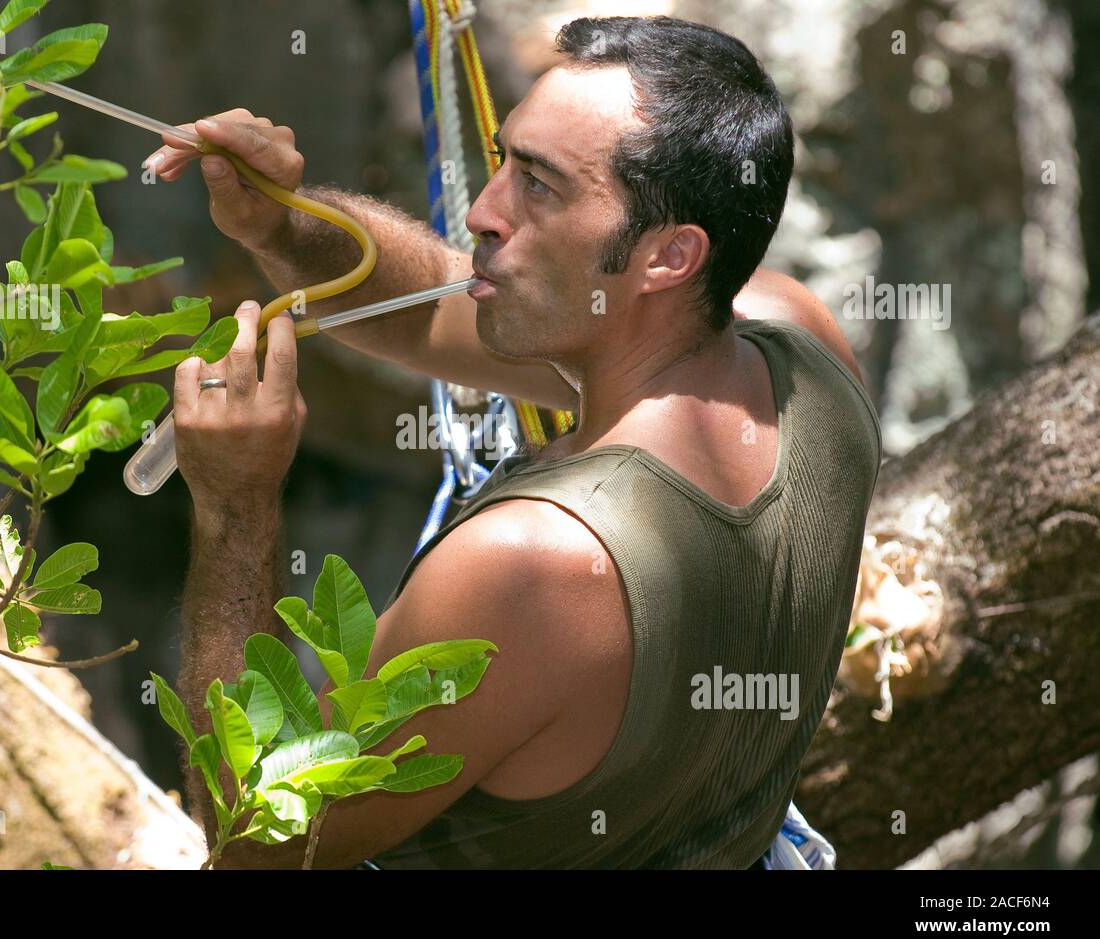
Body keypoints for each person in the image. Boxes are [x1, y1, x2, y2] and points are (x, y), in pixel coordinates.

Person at [146, 14, 881, 868]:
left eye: (540, 185)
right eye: (503, 160)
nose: (484, 211)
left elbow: (262, 845)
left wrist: (235, 505)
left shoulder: (532, 567)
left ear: (668, 256)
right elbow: (436, 307)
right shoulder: (803, 346)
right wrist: (283, 227)